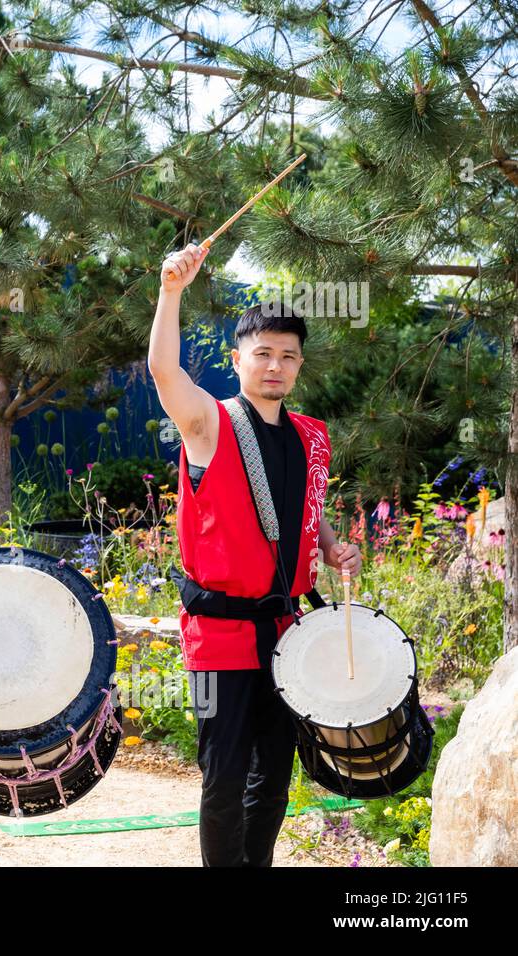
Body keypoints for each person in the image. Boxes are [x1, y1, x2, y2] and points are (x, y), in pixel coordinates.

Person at [147, 242, 361, 867]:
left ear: (299, 366)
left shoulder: (311, 436)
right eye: (262, 353)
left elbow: (306, 506)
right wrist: (170, 292)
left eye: (287, 356)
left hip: (287, 634)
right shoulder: (209, 423)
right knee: (223, 779)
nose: (275, 366)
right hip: (218, 638)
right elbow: (163, 371)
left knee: (273, 780)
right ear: (237, 358)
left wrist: (331, 545)